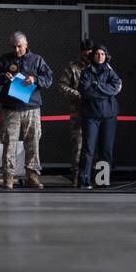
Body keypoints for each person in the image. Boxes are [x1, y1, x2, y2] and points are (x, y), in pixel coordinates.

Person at [0, 32, 54, 189]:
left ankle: (32, 176)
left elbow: (48, 79)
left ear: (26, 45)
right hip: (10, 108)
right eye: (14, 47)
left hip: (31, 107)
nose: (16, 50)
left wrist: (35, 80)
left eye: (19, 46)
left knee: (33, 142)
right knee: (9, 143)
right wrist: (3, 77)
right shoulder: (5, 59)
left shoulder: (37, 60)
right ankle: (8, 177)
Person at [78, 45, 123, 187]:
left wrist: (98, 87)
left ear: (106, 56)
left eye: (102, 54)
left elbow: (116, 87)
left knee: (106, 150)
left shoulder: (110, 72)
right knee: (88, 149)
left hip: (109, 116)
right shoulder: (86, 72)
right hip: (90, 116)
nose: (100, 56)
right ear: (92, 56)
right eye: (97, 54)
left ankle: (102, 181)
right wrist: (105, 92)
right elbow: (85, 90)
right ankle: (84, 181)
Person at [57, 39, 94, 186]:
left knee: (95, 145)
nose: (89, 53)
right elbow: (62, 86)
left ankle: (96, 177)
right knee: (78, 145)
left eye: (91, 50)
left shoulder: (101, 66)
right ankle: (77, 178)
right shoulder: (73, 67)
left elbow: (114, 84)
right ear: (81, 52)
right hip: (78, 112)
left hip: (96, 112)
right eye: (86, 51)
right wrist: (77, 94)